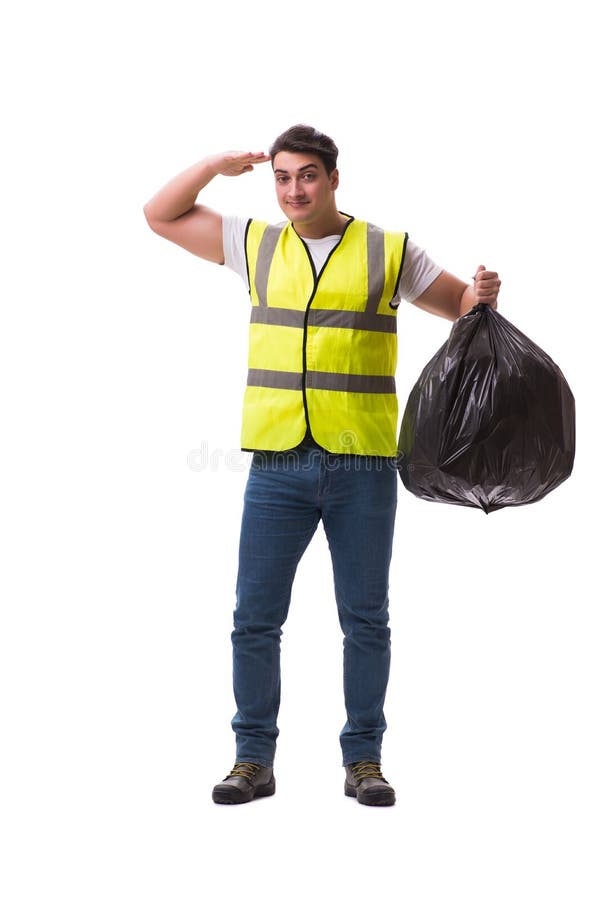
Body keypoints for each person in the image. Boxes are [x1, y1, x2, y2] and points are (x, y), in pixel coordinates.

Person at [143, 124, 501, 807]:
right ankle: (252, 759)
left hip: (361, 465)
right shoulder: (253, 242)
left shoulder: (387, 251)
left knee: (364, 619)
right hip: (275, 464)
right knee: (254, 619)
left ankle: (363, 761)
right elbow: (159, 214)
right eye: (281, 177)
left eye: (306, 175)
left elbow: (460, 307)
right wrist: (215, 166)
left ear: (334, 177)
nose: (292, 190)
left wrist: (480, 292)